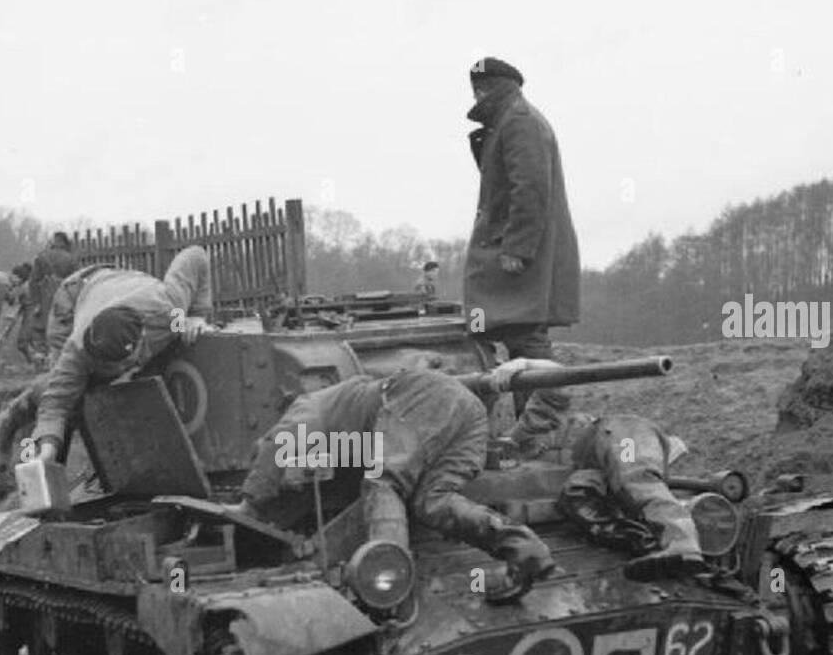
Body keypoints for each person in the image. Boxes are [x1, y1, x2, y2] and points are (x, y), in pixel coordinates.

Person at [225, 362, 555, 603]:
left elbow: (276, 446)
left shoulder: (309, 408)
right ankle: (526, 550)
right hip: (471, 418)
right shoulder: (345, 416)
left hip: (427, 394)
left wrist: (249, 503)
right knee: (433, 503)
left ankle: (388, 580)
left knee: (383, 482)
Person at [490, 357, 705, 581]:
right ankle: (652, 549)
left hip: (623, 438)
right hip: (600, 478)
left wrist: (522, 365)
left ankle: (682, 542)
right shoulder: (514, 443)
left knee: (637, 479)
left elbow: (558, 378)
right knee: (579, 494)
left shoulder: (536, 423)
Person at [464, 55, 581, 454]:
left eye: (480, 88)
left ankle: (534, 436)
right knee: (510, 332)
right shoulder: (512, 119)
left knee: (524, 334)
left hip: (518, 252)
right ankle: (526, 434)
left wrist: (517, 249)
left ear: (492, 88)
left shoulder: (519, 122)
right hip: (513, 247)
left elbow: (530, 187)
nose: (476, 95)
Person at [29, 246, 213, 462]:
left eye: (116, 365)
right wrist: (48, 448)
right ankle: (39, 456)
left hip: (120, 283)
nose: (112, 372)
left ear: (141, 339)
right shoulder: (77, 349)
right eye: (104, 366)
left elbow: (195, 254)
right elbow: (56, 403)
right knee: (63, 391)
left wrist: (196, 315)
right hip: (73, 296)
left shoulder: (170, 314)